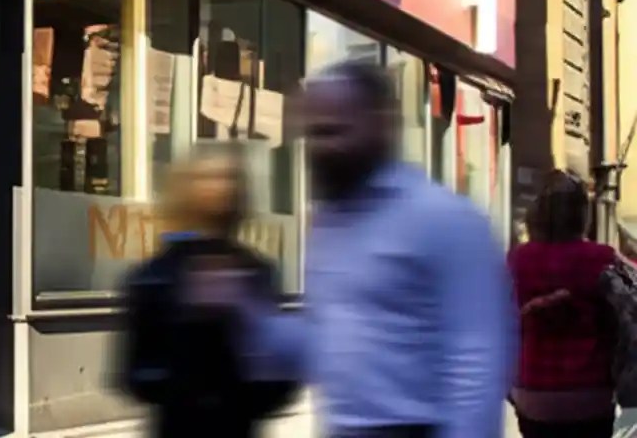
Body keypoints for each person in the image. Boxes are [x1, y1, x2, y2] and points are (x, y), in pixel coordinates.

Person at [238, 60, 516, 438]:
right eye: (314, 134)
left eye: (335, 131)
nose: (321, 147)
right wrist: (247, 314)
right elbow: (323, 346)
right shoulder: (327, 225)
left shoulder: (445, 220)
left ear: (380, 124)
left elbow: (477, 362)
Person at [117, 142, 297, 438]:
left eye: (229, 177)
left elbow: (279, 377)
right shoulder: (156, 277)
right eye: (209, 177)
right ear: (185, 190)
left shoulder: (256, 272)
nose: (220, 188)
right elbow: (136, 376)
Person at [508, 169, 617, 438]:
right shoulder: (602, 258)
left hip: (533, 393)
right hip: (591, 394)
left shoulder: (517, 260)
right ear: (582, 214)